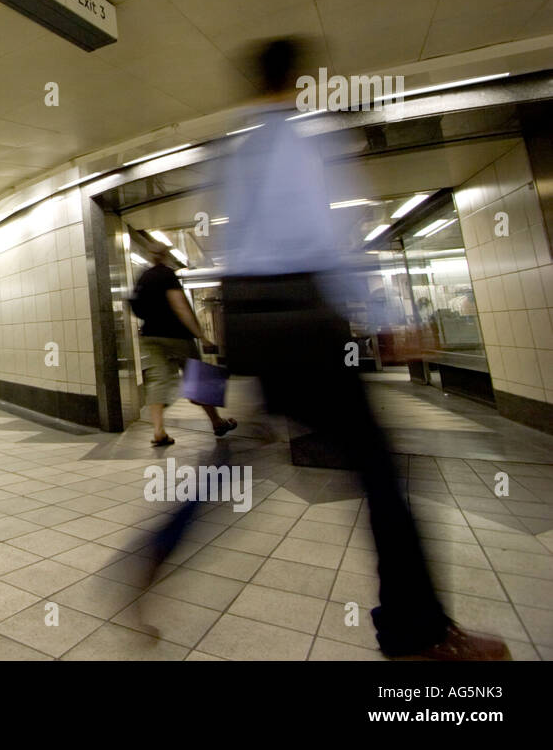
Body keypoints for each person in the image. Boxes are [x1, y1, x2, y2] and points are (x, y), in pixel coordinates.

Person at [217, 37, 509, 660]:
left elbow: (229, 244)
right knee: (382, 476)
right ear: (298, 83)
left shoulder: (236, 150)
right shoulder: (305, 137)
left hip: (257, 328)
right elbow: (328, 240)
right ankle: (419, 633)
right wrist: (383, 317)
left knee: (243, 455)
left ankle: (152, 554)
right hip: (305, 325)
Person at [132, 241, 236, 446]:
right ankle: (216, 422)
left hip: (150, 337)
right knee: (197, 378)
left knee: (157, 381)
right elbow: (180, 307)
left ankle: (158, 430)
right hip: (176, 336)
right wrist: (201, 335)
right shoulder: (166, 275)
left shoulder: (143, 278)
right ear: (165, 255)